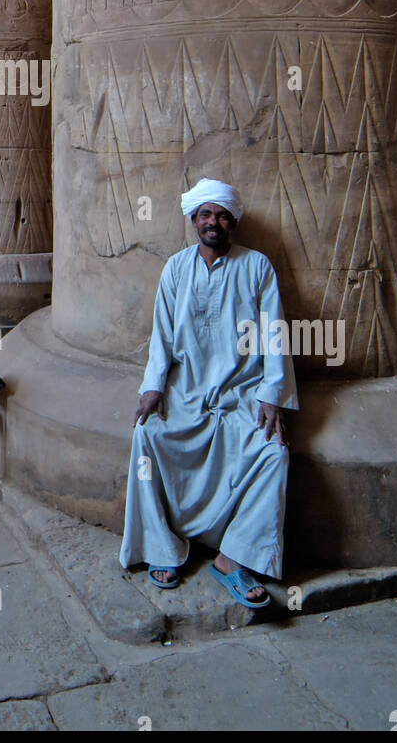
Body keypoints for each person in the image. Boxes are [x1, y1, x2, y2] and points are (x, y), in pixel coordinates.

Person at [120, 178, 298, 610]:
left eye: (221, 214)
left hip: (243, 396)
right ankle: (162, 549)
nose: (213, 221)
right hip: (186, 394)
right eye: (205, 214)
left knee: (274, 452)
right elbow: (161, 337)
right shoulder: (177, 268)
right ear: (193, 220)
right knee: (146, 438)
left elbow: (274, 335)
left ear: (232, 220)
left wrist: (272, 395)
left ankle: (232, 557)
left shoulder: (257, 266)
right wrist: (153, 388)